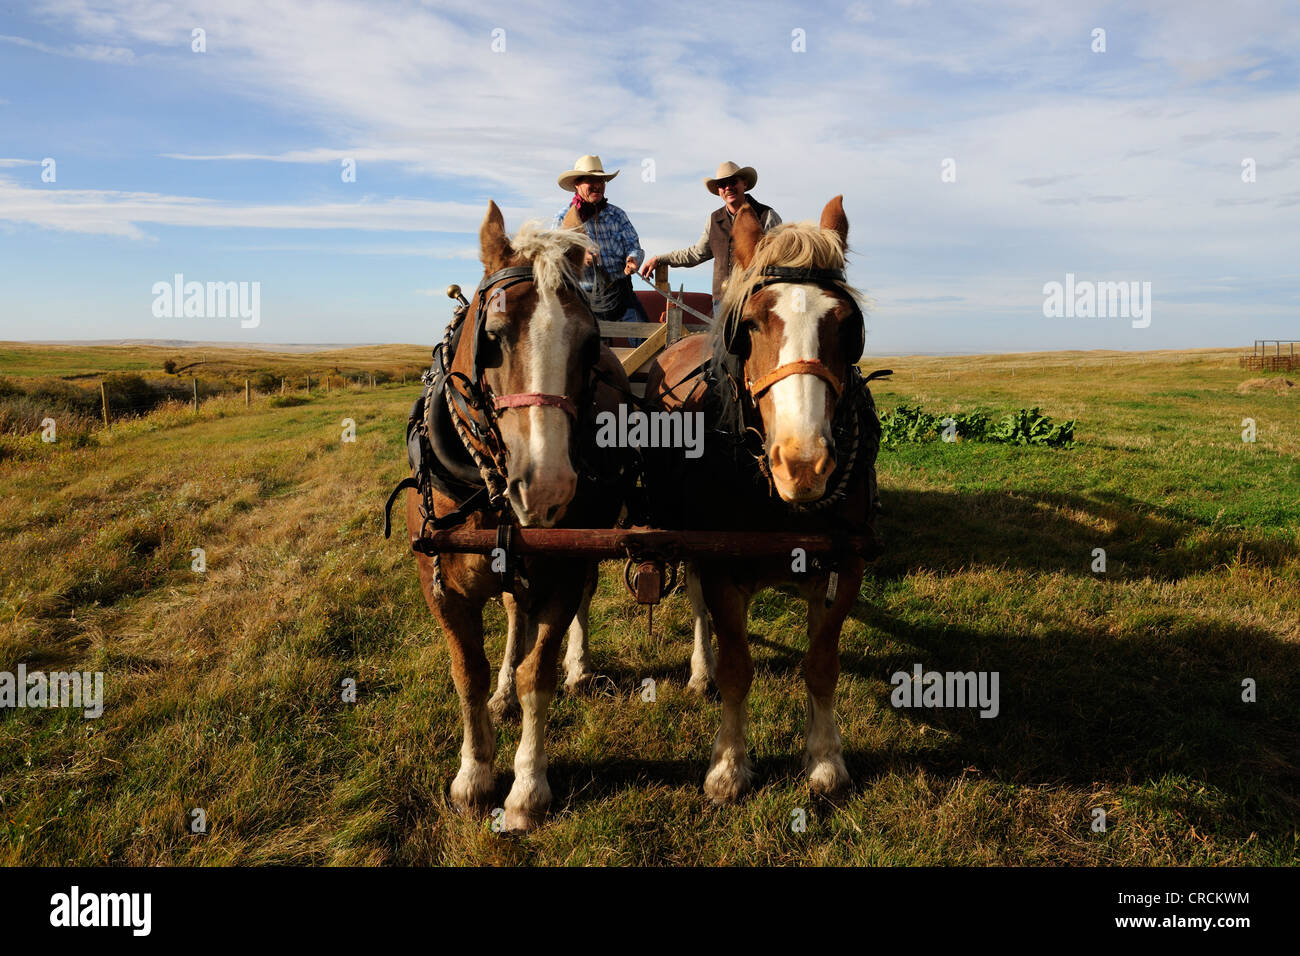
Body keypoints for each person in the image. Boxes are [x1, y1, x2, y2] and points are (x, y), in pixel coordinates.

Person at [639, 161, 782, 316]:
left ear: (744, 184)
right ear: (719, 191)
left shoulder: (766, 216)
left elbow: (779, 259)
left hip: (756, 298)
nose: (728, 188)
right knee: (719, 341)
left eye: (733, 182)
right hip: (722, 302)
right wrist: (660, 259)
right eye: (722, 184)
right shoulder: (715, 220)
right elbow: (696, 253)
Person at [550, 155, 649, 338]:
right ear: (577, 185)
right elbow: (554, 259)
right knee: (591, 352)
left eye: (601, 181)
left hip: (621, 292)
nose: (597, 185)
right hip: (582, 297)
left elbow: (633, 245)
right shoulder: (563, 218)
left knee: (645, 339)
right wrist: (579, 258)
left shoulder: (617, 215)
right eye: (591, 180)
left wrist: (633, 259)